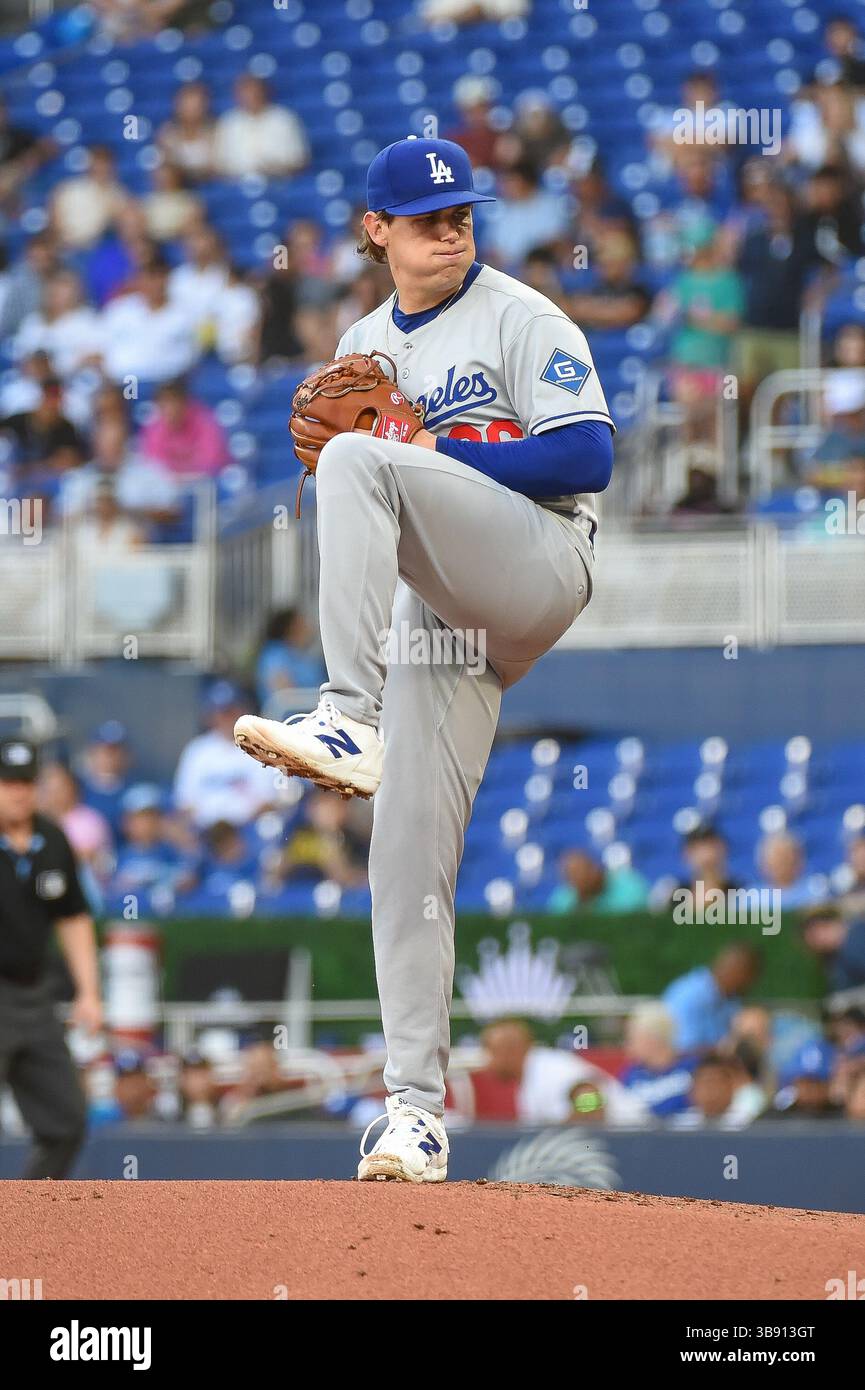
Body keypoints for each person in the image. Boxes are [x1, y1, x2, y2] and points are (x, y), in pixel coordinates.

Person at [232, 135, 615, 1181]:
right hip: (442, 616)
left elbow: (589, 453)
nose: (451, 231)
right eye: (427, 218)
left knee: (365, 453)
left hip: (538, 563)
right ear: (377, 231)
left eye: (462, 215)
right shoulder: (362, 338)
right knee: (404, 860)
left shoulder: (518, 314)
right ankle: (412, 1114)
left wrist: (437, 450)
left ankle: (344, 710)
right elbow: (348, 478)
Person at [0, 736, 101, 1177]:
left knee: (66, 1122)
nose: (18, 791)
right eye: (7, 781)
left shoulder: (52, 839)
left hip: (35, 997)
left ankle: (28, 1217)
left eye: (26, 781)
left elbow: (74, 919)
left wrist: (89, 993)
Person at [174, 680, 278, 830]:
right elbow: (184, 803)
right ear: (210, 715)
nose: (227, 718)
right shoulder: (197, 750)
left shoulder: (260, 747)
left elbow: (269, 800)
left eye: (231, 711)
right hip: (206, 832)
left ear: (243, 711)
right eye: (221, 712)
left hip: (248, 829)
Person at [662, 944, 761, 1053]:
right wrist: (725, 1050)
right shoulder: (688, 995)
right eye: (750, 977)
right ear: (740, 972)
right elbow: (681, 1049)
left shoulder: (731, 997)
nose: (750, 984)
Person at [212, 75, 308, 180]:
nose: (251, 97)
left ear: (264, 92)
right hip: (236, 185)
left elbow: (300, 160)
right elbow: (218, 165)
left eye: (255, 92)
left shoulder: (284, 119)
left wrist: (274, 168)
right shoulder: (228, 122)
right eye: (246, 93)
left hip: (280, 183)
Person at [619, 1002, 698, 1119]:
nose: (627, 1044)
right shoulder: (630, 1076)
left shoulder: (694, 1069)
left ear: (653, 1038)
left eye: (632, 1037)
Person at [256, 607, 328, 713]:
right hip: (290, 720)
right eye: (302, 623)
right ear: (292, 628)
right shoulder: (275, 653)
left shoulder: (303, 655)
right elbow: (283, 691)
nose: (309, 627)